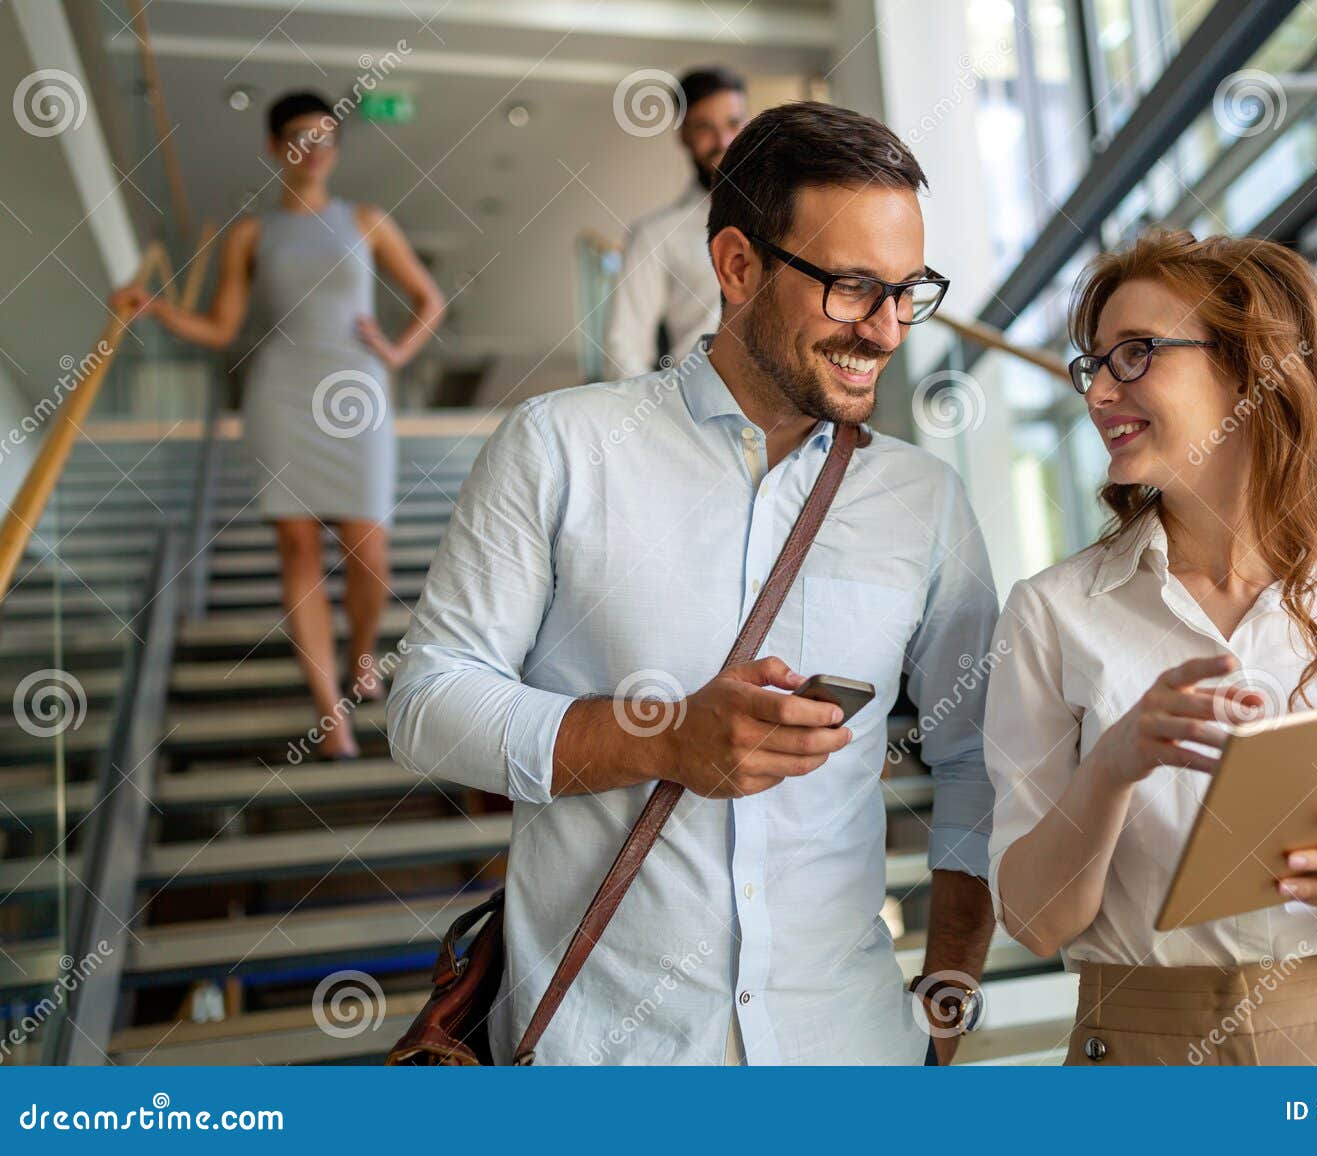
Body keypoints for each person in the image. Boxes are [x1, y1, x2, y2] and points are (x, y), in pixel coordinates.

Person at [388, 101, 997, 1065]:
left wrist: (950, 995)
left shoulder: (925, 501)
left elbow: (974, 762)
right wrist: (663, 738)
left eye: (906, 291)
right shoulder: (561, 447)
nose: (886, 330)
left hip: (851, 1051)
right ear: (738, 266)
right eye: (851, 289)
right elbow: (427, 704)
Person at [984, 228, 1317, 1065]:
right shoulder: (1054, 612)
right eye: (1095, 364)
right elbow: (1037, 922)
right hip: (1142, 1055)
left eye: (1136, 353)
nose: (1099, 391)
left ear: (1252, 368)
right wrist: (1112, 765)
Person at [111, 90, 445, 760]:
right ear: (273, 147)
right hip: (282, 395)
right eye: (299, 135)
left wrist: (395, 352)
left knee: (369, 552)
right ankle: (329, 712)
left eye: (326, 136)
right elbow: (223, 328)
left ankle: (360, 656)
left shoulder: (367, 220)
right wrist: (158, 310)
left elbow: (428, 299)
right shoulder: (250, 234)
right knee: (297, 550)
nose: (314, 148)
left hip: (358, 392)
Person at [601, 66, 748, 379]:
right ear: (683, 134)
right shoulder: (654, 235)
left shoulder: (784, 219)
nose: (723, 141)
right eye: (705, 127)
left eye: (733, 124)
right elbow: (623, 350)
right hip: (694, 400)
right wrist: (659, 409)